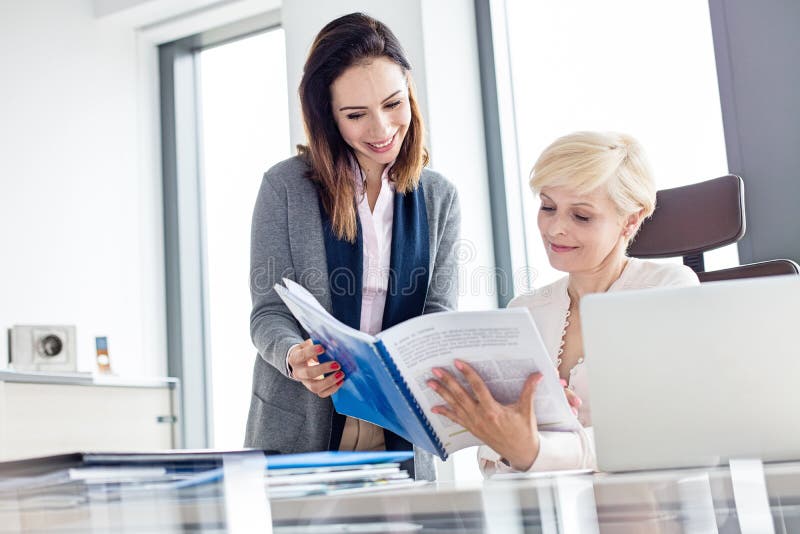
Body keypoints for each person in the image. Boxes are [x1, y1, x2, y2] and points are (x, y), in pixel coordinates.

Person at [244, 13, 460, 479]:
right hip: (302, 427)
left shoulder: (439, 197)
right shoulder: (285, 188)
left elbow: (438, 310)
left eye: (393, 104)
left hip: (399, 430)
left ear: (409, 92)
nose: (381, 129)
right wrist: (293, 355)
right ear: (328, 116)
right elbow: (267, 311)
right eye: (356, 115)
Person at [426, 131, 699, 474]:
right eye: (548, 207)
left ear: (631, 220)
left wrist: (539, 448)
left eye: (581, 216)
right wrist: (513, 436)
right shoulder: (524, 312)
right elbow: (492, 461)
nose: (555, 229)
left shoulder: (667, 290)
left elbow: (664, 432)